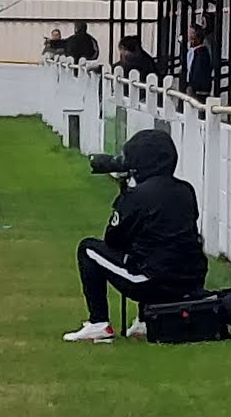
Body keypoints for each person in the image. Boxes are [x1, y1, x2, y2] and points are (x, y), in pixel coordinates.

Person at [65, 128, 207, 343]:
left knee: (89, 249)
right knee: (153, 246)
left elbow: (113, 239)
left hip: (152, 281)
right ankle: (144, 321)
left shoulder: (138, 196)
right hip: (191, 280)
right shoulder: (186, 190)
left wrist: (125, 198)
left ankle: (99, 323)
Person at [183, 21, 214, 100]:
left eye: (191, 34)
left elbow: (199, 72)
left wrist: (193, 86)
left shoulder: (202, 53)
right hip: (193, 86)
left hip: (199, 89)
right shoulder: (192, 51)